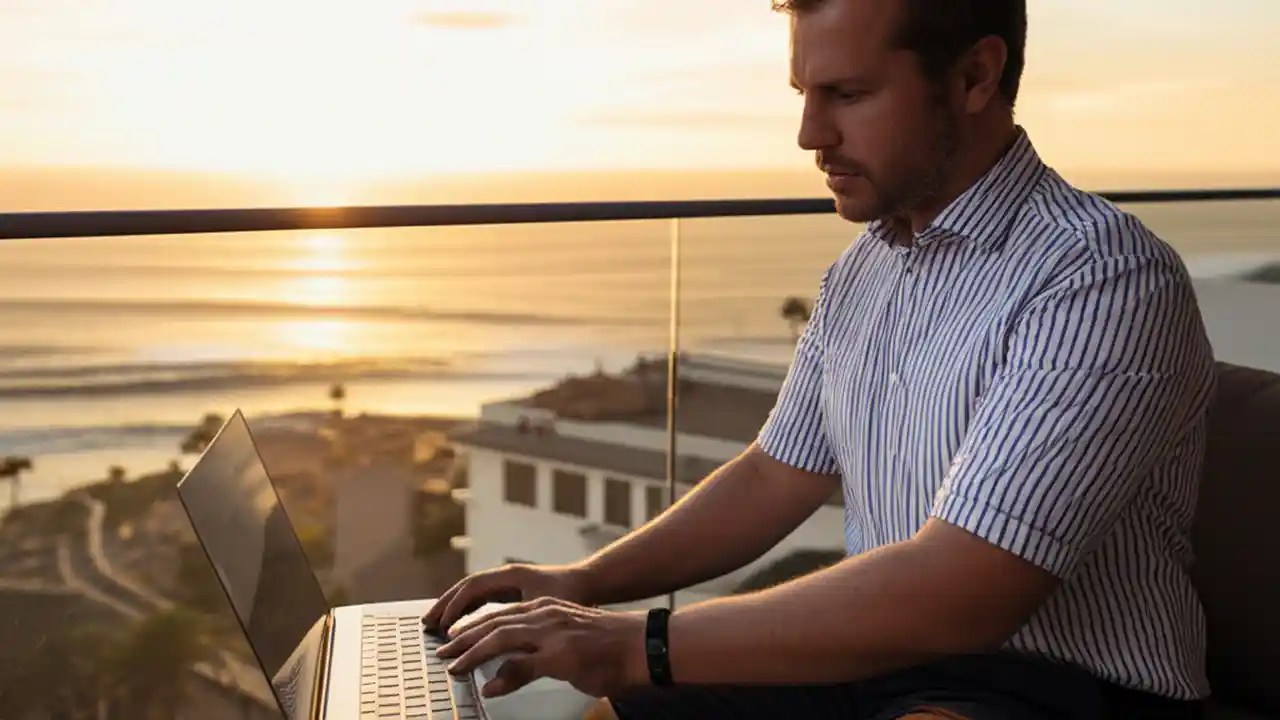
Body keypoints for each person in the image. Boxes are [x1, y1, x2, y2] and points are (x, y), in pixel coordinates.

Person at [423, 1, 1216, 717]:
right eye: (804, 94)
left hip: (1061, 685)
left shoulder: (1100, 275)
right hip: (872, 661)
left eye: (848, 95)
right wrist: (584, 584)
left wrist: (639, 645)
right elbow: (775, 475)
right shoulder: (865, 268)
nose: (810, 134)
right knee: (613, 718)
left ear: (975, 75)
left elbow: (965, 593)